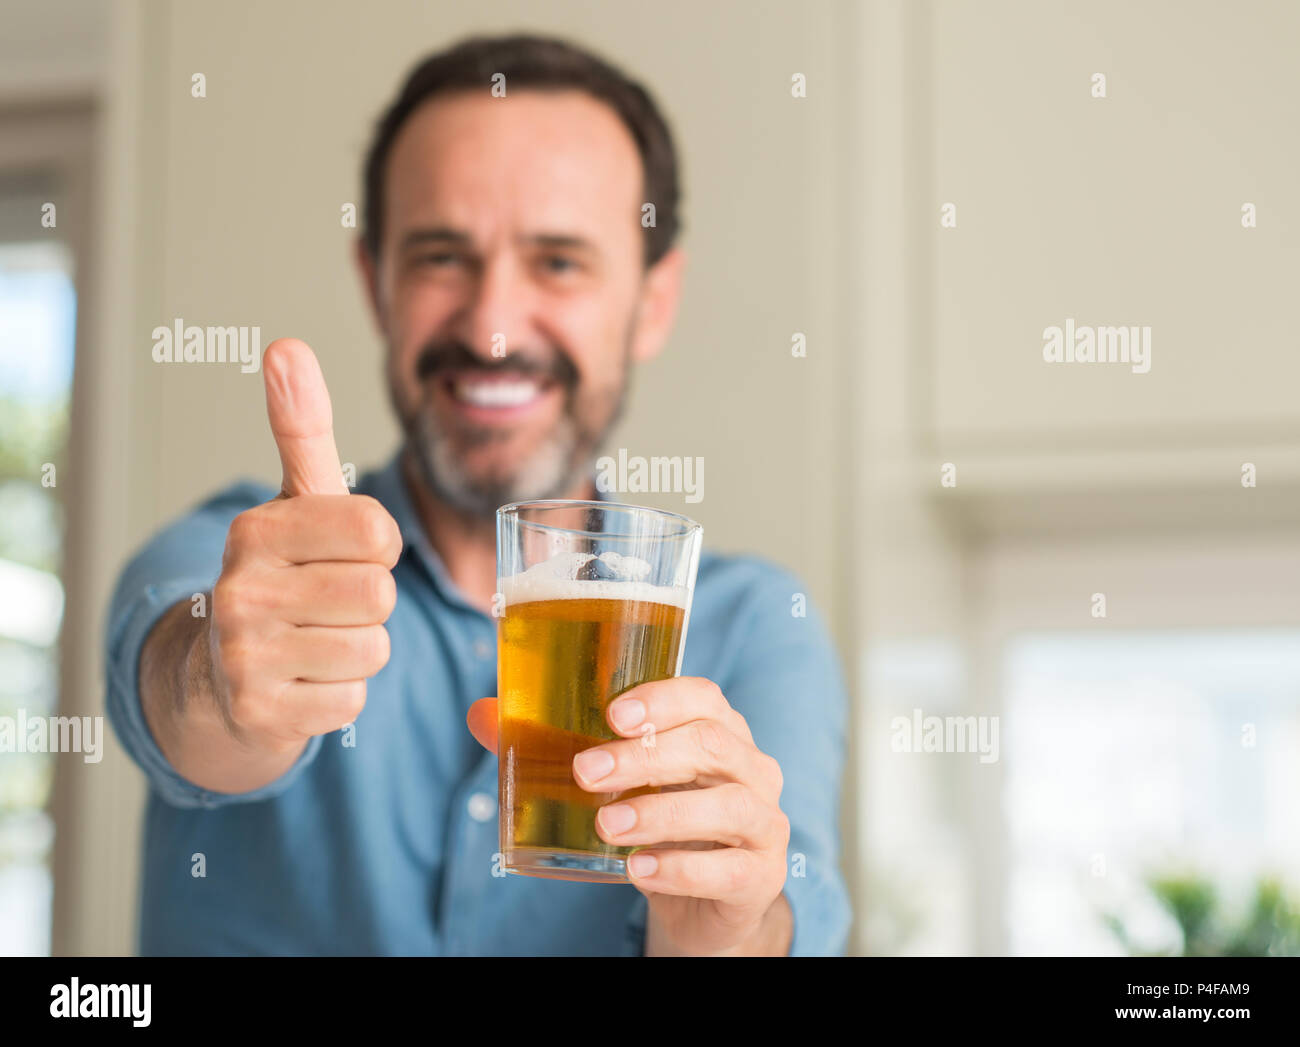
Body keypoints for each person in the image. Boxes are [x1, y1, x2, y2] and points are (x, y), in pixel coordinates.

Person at [106, 33, 850, 956]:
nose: (494, 328)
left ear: (653, 301)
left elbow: (792, 915)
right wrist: (222, 681)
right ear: (375, 284)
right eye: (442, 257)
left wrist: (722, 930)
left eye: (560, 261)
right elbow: (178, 691)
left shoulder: (751, 625)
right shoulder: (236, 557)